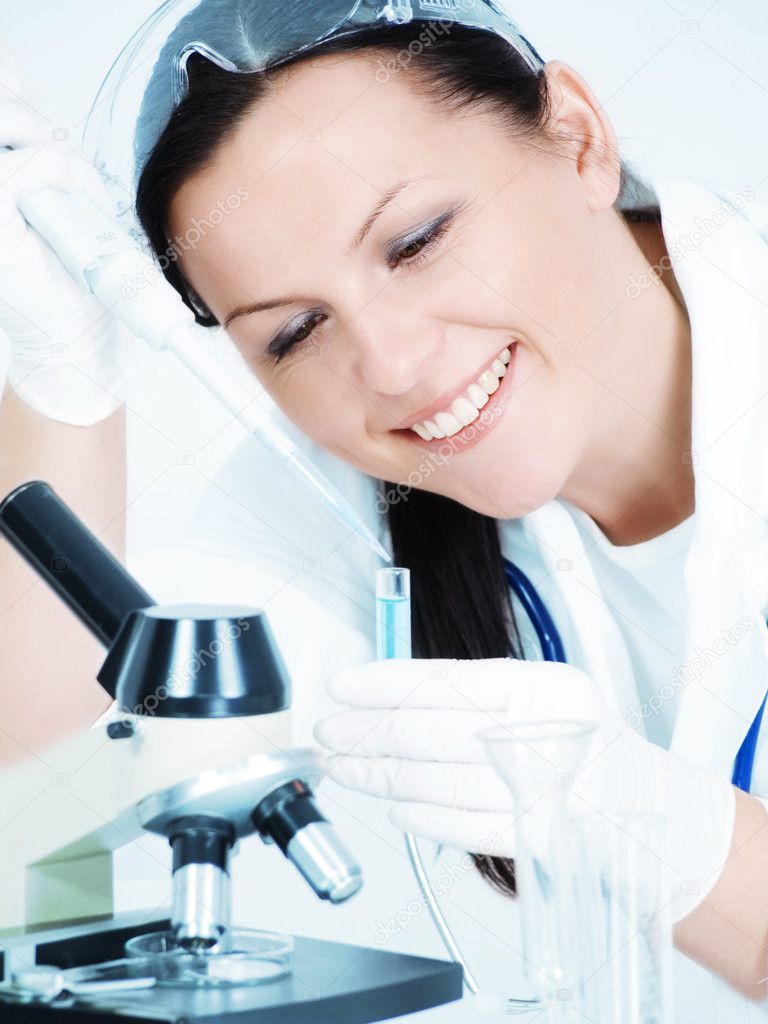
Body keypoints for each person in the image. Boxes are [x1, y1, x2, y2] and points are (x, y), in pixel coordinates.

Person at [2, 4, 768, 1020]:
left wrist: (657, 828)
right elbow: (37, 717)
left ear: (578, 137)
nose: (393, 366)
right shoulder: (347, 491)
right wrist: (61, 387)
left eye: (416, 242)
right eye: (295, 331)